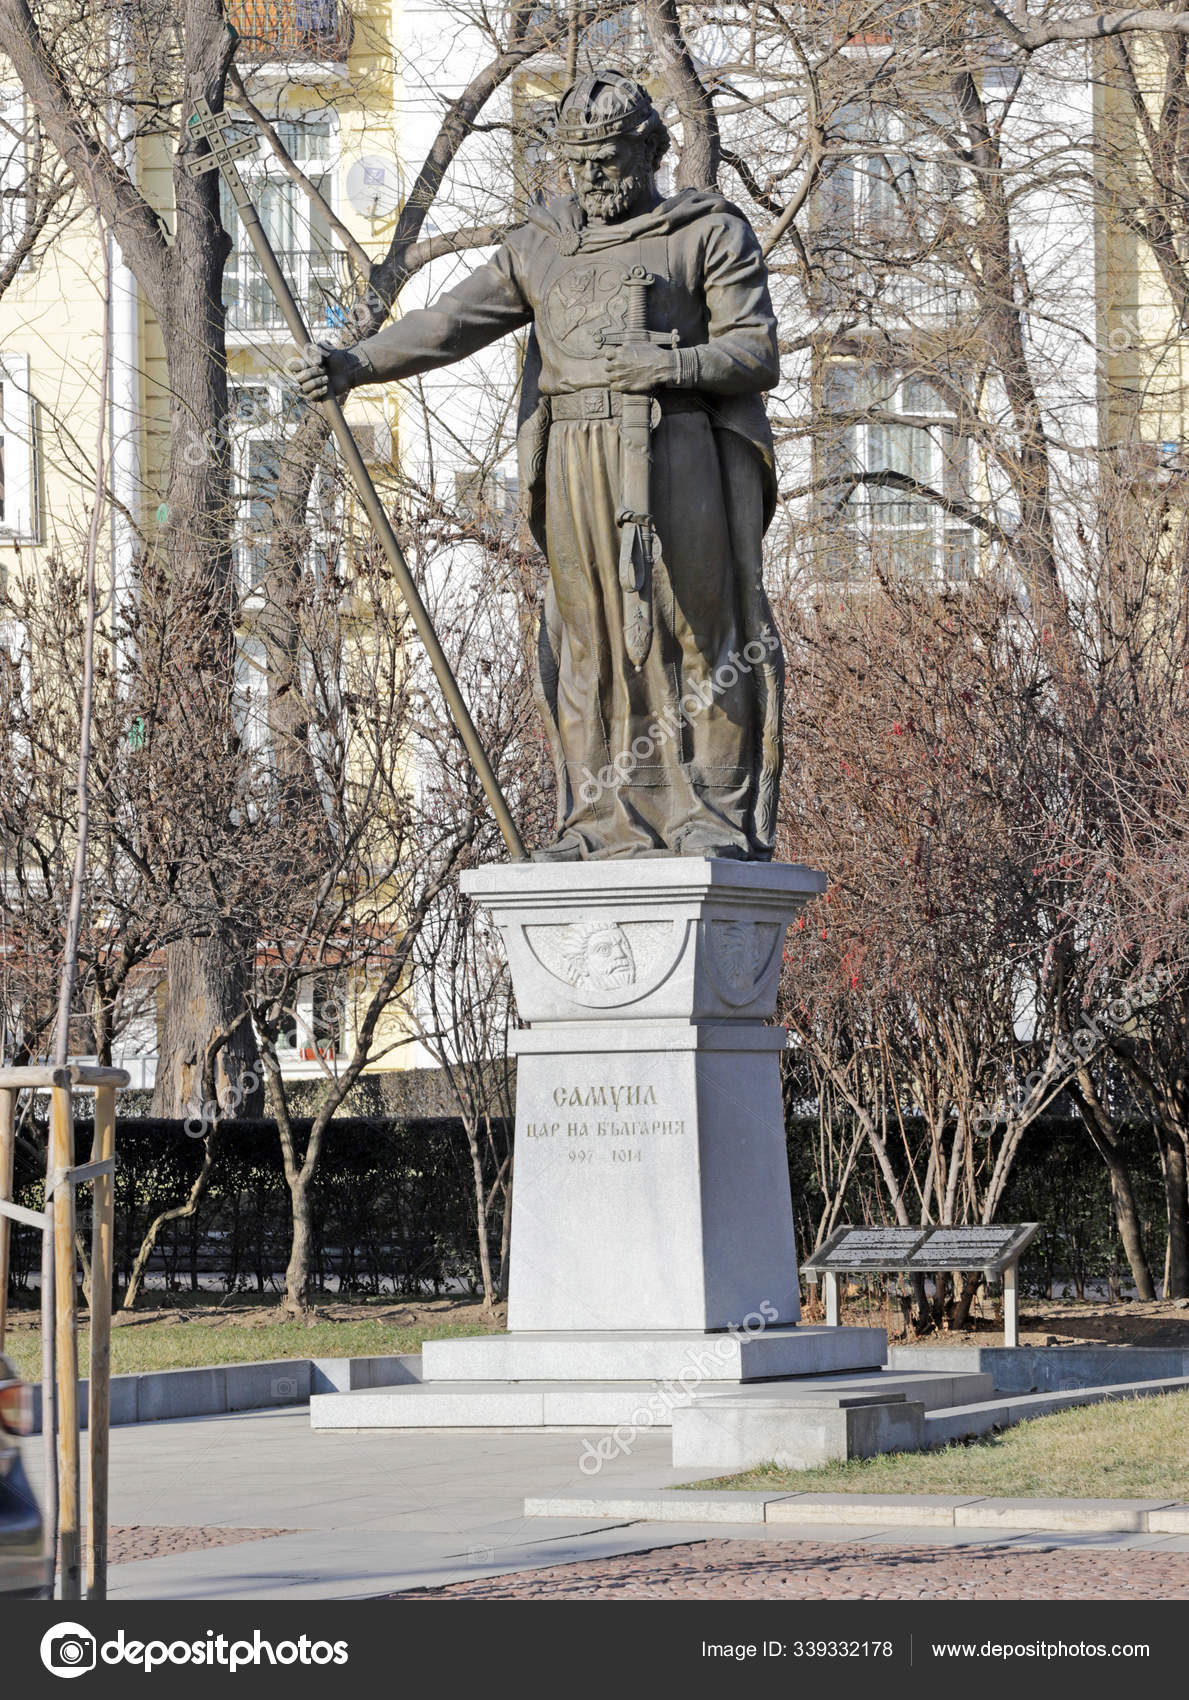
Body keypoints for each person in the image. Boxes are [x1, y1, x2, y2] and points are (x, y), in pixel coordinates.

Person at [296, 71, 785, 861]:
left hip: (676, 446)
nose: (591, 175)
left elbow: (755, 349)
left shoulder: (706, 233)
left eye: (609, 158)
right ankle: (597, 819)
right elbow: (449, 322)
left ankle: (710, 814)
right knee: (586, 634)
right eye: (577, 160)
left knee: (692, 626)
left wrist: (674, 364)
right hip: (574, 455)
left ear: (651, 150)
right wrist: (354, 361)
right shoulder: (540, 246)